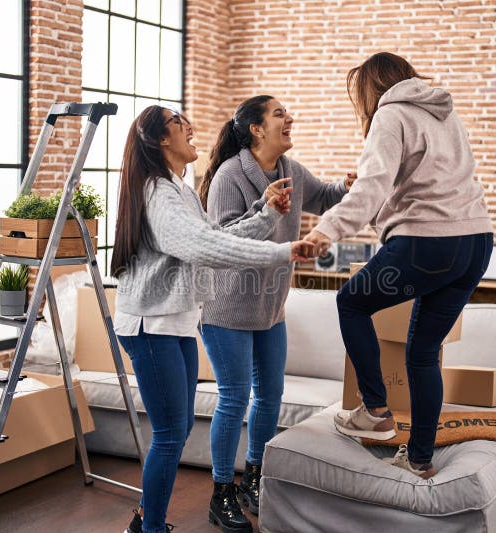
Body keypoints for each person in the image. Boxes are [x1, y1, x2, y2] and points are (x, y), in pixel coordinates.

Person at [111, 105, 314, 533]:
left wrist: (267, 217)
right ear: (160, 139)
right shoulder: (158, 192)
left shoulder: (179, 188)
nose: (189, 125)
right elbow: (203, 248)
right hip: (151, 325)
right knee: (170, 434)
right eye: (177, 122)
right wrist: (282, 250)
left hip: (176, 320)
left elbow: (214, 238)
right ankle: (150, 528)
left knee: (178, 427)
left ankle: (147, 521)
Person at [305, 52, 494, 479]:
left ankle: (374, 411)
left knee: (351, 303)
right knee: (423, 353)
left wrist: (325, 231)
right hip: (477, 242)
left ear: (372, 88)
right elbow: (430, 184)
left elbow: (374, 187)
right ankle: (420, 459)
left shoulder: (389, 115)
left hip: (429, 244)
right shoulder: (445, 113)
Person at [196, 95, 354, 532]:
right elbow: (224, 242)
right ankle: (221, 493)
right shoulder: (231, 175)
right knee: (234, 398)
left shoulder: (290, 170)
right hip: (227, 307)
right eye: (280, 113)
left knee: (270, 396)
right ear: (256, 129)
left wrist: (350, 186)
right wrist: (265, 211)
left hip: (270, 309)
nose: (291, 118)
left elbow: (323, 198)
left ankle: (255, 478)